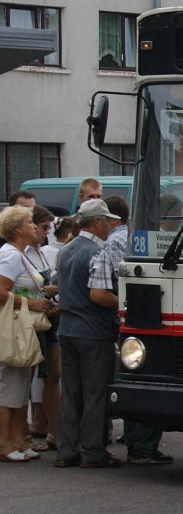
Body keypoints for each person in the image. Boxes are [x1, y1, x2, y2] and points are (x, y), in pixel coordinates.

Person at [92, 195, 173, 465]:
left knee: (136, 374)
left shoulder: (119, 241)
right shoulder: (153, 238)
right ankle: (142, 445)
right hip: (151, 312)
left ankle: (136, 441)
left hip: (136, 315)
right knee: (152, 375)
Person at [54, 198, 124, 468]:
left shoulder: (66, 249)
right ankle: (94, 452)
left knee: (71, 392)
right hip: (93, 331)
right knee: (95, 392)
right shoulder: (99, 251)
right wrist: (124, 302)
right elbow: (98, 295)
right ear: (96, 222)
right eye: (107, 220)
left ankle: (66, 450)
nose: (110, 224)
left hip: (68, 329)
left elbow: (58, 285)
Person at [0, 205, 56, 463]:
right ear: (18, 228)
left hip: (23, 327)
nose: (35, 226)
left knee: (19, 386)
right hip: (14, 327)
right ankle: (4, 442)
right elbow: (1, 291)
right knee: (9, 387)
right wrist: (30, 304)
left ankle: (17, 439)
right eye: (30, 222)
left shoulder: (18, 254)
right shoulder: (11, 255)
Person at [26, 205, 61, 454]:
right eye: (43, 228)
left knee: (54, 373)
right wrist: (42, 293)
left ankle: (54, 431)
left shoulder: (40, 252)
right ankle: (22, 433)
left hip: (48, 317)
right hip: (31, 318)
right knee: (25, 377)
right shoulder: (18, 253)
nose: (46, 233)